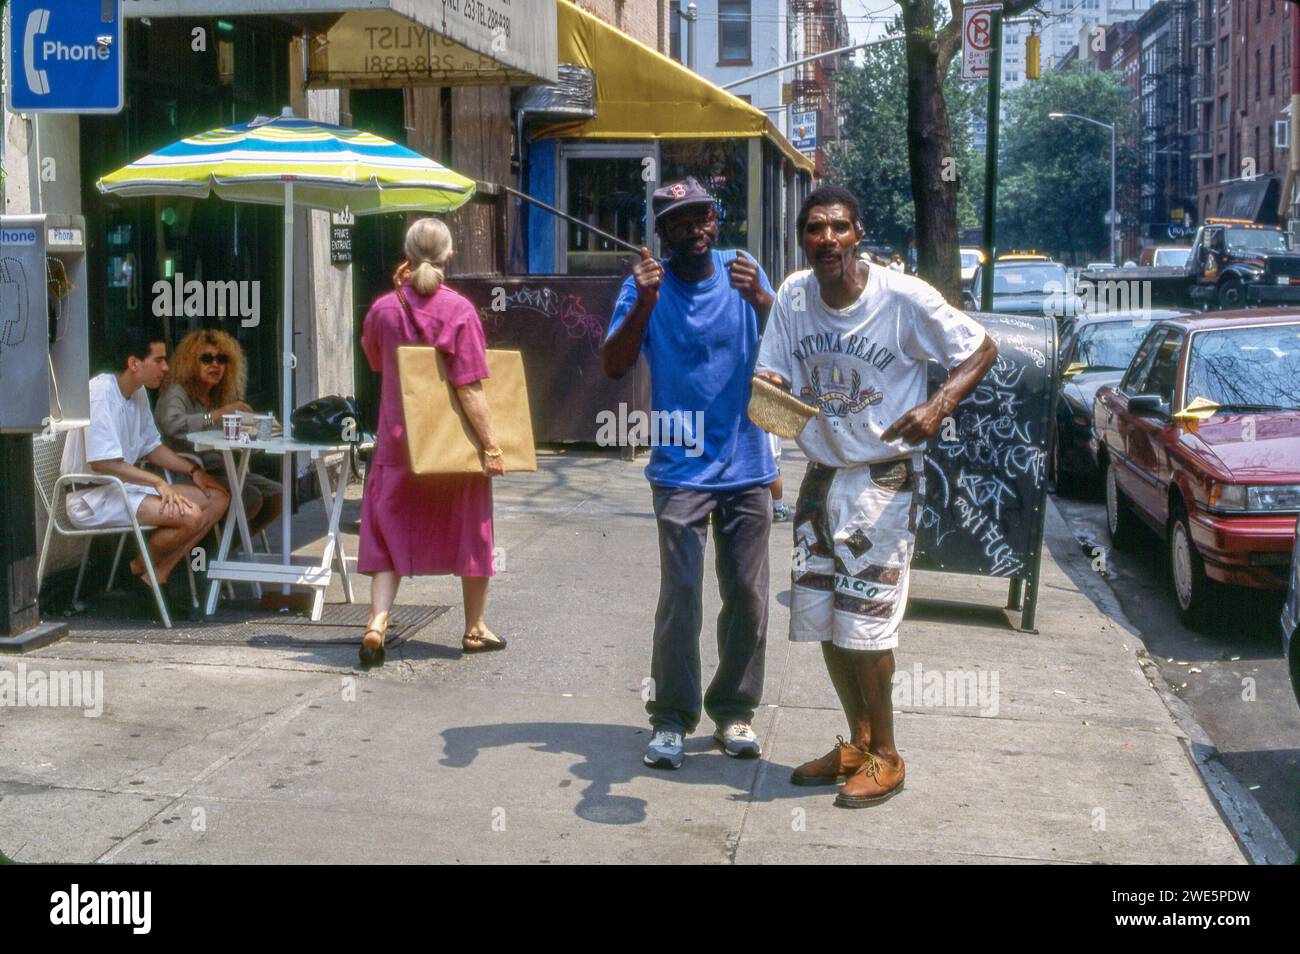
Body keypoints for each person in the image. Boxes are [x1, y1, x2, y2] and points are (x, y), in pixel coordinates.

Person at [755, 186, 997, 807]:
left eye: (839, 227)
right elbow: (774, 369)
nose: (827, 238)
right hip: (820, 474)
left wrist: (938, 405)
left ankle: (889, 754)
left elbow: (980, 348)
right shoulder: (791, 295)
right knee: (825, 620)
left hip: (883, 478)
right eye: (815, 228)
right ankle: (859, 743)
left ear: (857, 234)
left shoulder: (902, 298)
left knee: (868, 624)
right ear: (803, 238)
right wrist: (768, 384)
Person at [602, 176, 777, 770]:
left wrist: (764, 304)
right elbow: (613, 364)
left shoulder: (744, 273)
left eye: (701, 218)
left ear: (716, 221)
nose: (693, 230)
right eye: (679, 222)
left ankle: (733, 710)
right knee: (681, 597)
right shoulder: (644, 287)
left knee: (749, 596)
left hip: (748, 463)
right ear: (663, 234)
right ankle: (672, 718)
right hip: (680, 468)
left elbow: (790, 351)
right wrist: (644, 304)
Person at [357, 217, 505, 668]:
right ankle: (474, 628)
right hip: (451, 447)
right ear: (448, 256)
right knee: (471, 529)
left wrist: (396, 293)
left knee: (386, 531)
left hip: (397, 444)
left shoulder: (383, 308)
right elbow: (469, 386)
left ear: (406, 253)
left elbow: (375, 360)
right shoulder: (459, 310)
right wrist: (492, 446)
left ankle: (377, 622)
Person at [62, 326, 230, 611]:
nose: (166, 368)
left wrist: (192, 471)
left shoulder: (137, 392)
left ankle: (150, 574)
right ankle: (139, 571)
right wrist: (158, 483)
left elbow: (151, 447)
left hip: (122, 489)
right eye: (159, 360)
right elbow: (102, 462)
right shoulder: (100, 394)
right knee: (190, 516)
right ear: (133, 363)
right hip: (91, 497)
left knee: (218, 498)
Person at [154, 329, 283, 538]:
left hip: (223, 469)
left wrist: (257, 429)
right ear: (190, 362)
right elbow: (172, 425)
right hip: (188, 472)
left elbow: (228, 433)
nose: (215, 365)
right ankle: (211, 549)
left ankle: (228, 546)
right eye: (207, 359)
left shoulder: (219, 395)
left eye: (222, 359)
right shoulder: (176, 394)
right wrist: (215, 416)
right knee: (250, 497)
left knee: (278, 494)